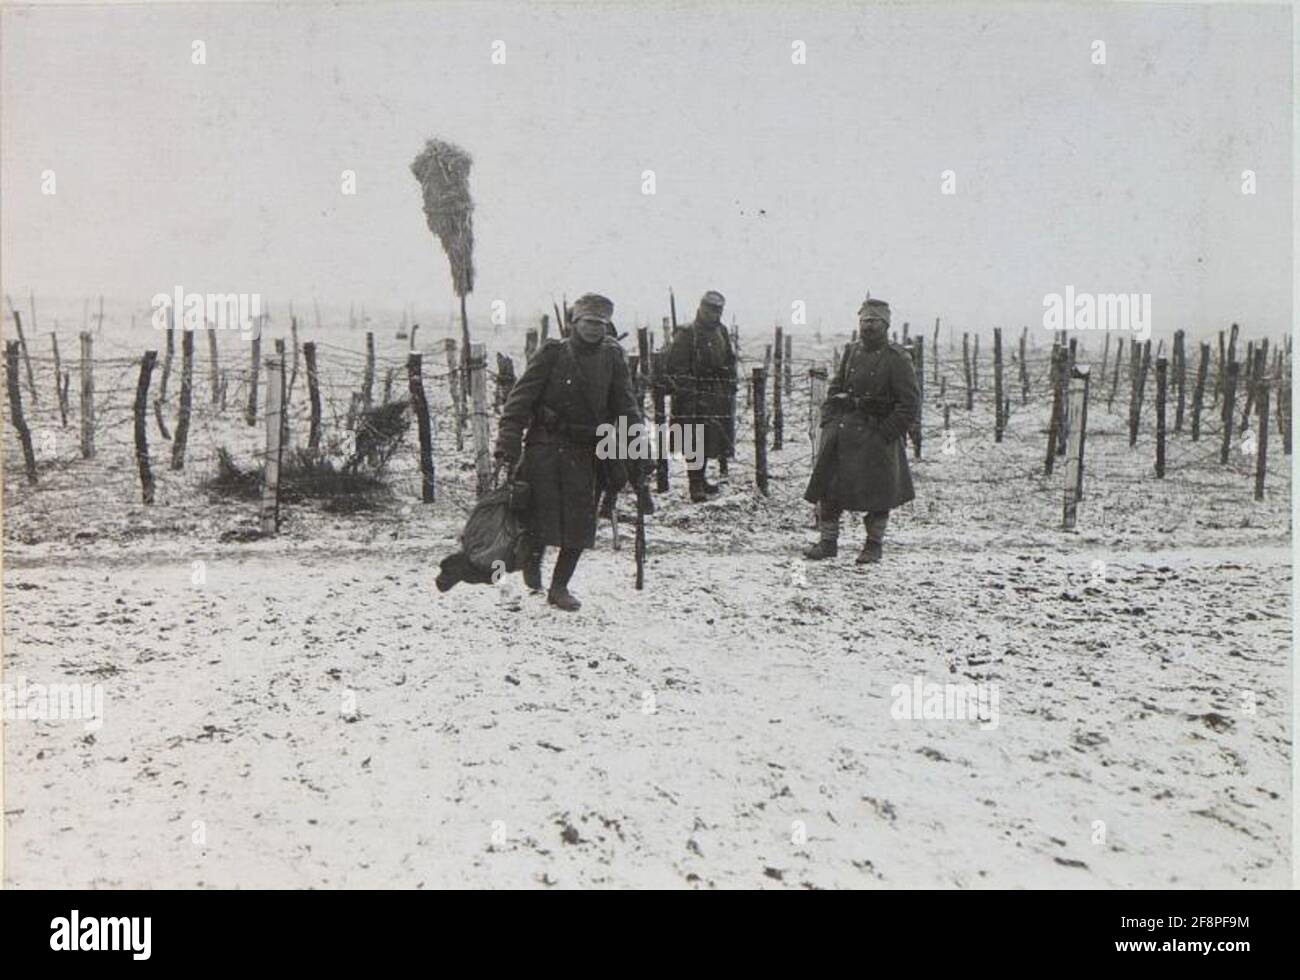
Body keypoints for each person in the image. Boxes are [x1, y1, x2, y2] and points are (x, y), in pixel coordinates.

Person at [494, 293, 642, 611]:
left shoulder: (612, 357)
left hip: (587, 451)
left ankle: (559, 587)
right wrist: (507, 441)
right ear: (575, 322)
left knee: (580, 523)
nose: (593, 329)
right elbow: (520, 400)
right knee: (537, 518)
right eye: (588, 322)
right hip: (545, 448)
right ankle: (531, 561)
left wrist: (637, 450)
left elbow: (626, 407)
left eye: (600, 324)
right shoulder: (552, 353)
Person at [803, 297, 919, 563]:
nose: (868, 326)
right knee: (829, 489)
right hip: (843, 433)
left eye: (874, 321)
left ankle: (873, 545)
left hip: (877, 435)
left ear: (886, 324)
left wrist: (887, 433)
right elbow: (836, 386)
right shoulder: (852, 351)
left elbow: (910, 403)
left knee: (878, 495)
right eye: (864, 320)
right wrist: (830, 419)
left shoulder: (897, 358)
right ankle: (828, 541)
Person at [665, 290, 736, 502]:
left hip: (716, 393)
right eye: (710, 309)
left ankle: (702, 478)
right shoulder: (687, 333)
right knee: (693, 439)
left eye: (718, 310)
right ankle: (694, 483)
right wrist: (691, 392)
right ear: (701, 308)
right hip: (692, 396)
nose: (713, 314)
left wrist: (729, 383)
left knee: (710, 438)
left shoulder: (721, 331)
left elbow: (730, 359)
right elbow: (676, 368)